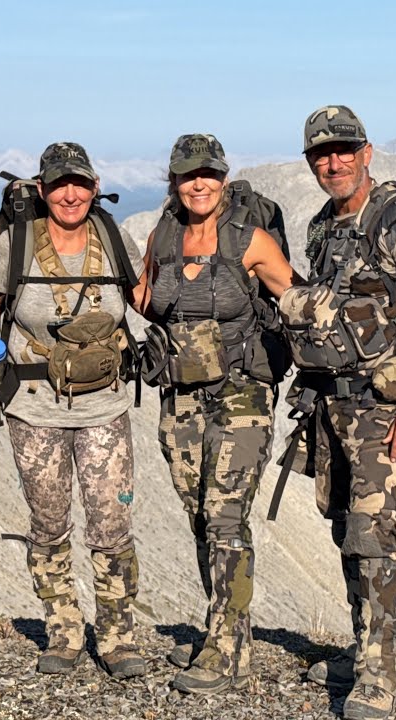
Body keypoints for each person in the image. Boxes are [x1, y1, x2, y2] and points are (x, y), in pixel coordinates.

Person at [289, 105, 396, 720]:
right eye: (320, 154)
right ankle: (364, 648)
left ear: (367, 151)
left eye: (343, 149)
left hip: (388, 408)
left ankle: (380, 676)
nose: (332, 161)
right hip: (332, 405)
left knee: (371, 534)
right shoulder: (322, 228)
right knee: (340, 527)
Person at [0, 142, 148, 679]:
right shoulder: (15, 243)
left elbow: (144, 299)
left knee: (112, 524)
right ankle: (63, 631)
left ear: (95, 188)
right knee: (49, 524)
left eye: (79, 184)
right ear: (43, 190)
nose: (69, 194)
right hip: (33, 409)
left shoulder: (115, 239)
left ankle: (117, 638)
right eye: (58, 185)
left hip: (105, 406)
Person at [137, 134, 299, 694]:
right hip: (179, 396)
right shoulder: (163, 236)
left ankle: (226, 648)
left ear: (224, 178)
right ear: (174, 182)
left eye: (208, 174)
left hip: (241, 395)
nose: (198, 184)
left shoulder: (248, 239)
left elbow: (297, 299)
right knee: (200, 518)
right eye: (187, 175)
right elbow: (142, 298)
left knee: (226, 519)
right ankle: (227, 631)